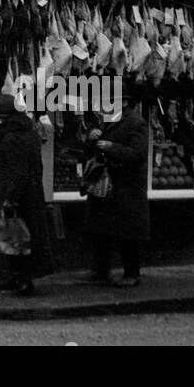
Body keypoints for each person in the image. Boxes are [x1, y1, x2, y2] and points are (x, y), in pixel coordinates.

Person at [0, 91, 54, 296]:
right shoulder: (28, 132)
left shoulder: (11, 137)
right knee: (20, 239)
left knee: (15, 239)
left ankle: (20, 281)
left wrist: (10, 199)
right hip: (30, 195)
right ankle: (18, 279)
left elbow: (15, 172)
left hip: (16, 197)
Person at [84, 92, 150, 287]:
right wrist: (91, 138)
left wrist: (112, 147)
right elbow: (91, 151)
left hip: (126, 185)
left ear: (125, 101)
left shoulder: (136, 122)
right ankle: (100, 270)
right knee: (101, 229)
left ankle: (132, 273)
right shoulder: (105, 120)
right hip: (104, 185)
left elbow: (138, 154)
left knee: (127, 233)